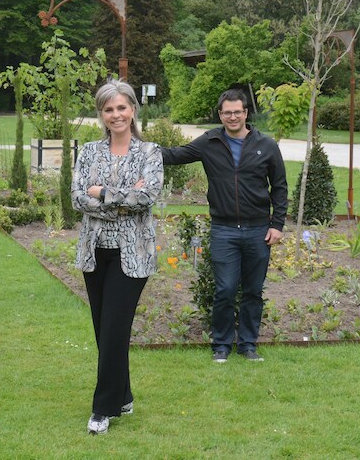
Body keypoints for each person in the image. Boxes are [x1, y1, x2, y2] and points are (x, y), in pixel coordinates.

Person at [161, 88, 287, 363]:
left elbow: (279, 187)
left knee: (253, 291)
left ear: (246, 113)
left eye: (237, 111)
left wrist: (277, 224)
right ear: (220, 114)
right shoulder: (210, 142)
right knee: (226, 289)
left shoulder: (266, 145)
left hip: (258, 230)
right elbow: (173, 155)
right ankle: (221, 344)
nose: (232, 116)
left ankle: (248, 344)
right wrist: (134, 147)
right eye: (227, 112)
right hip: (224, 230)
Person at [72, 80, 162, 435]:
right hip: (95, 251)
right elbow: (78, 198)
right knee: (104, 330)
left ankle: (103, 408)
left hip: (133, 254)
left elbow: (148, 197)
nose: (116, 115)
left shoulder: (150, 152)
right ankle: (122, 394)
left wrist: (104, 194)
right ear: (101, 114)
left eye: (121, 108)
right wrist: (122, 200)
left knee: (113, 327)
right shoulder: (90, 151)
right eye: (109, 109)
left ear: (133, 110)